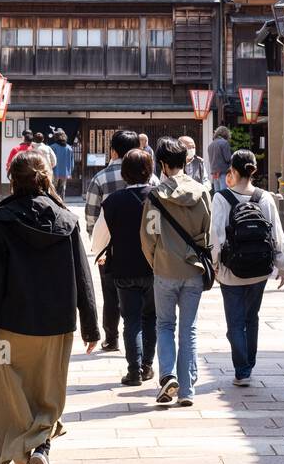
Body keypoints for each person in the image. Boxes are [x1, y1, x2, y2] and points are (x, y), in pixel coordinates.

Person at [0, 150, 99, 464]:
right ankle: (42, 446)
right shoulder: (66, 219)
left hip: (10, 325)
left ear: (12, 179)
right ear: (47, 178)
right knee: (48, 395)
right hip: (57, 325)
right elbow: (82, 276)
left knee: (12, 399)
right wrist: (90, 326)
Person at [140, 136, 212, 408]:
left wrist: (156, 260)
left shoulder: (155, 197)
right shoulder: (202, 192)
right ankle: (187, 390)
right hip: (193, 269)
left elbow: (148, 236)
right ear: (185, 161)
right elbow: (208, 231)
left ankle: (168, 375)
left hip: (164, 268)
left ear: (162, 164)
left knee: (165, 325)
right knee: (188, 330)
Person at [211, 149, 284, 387]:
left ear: (232, 172)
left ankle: (242, 370)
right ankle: (248, 364)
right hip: (259, 270)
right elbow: (276, 233)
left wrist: (215, 264)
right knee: (251, 318)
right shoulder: (264, 197)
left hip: (231, 271)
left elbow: (216, 236)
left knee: (234, 322)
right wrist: (283, 266)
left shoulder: (221, 198)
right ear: (254, 171)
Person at [91, 149, 156, 386]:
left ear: (124, 173)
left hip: (124, 267)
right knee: (151, 317)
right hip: (155, 267)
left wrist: (99, 253)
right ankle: (148, 365)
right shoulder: (159, 197)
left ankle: (134, 371)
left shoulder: (113, 202)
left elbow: (100, 237)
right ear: (149, 170)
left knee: (131, 320)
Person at [85, 128, 141, 352]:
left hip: (109, 246)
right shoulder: (150, 177)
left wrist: (98, 245)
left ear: (113, 151)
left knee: (110, 294)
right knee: (139, 294)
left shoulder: (100, 178)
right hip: (141, 247)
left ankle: (112, 338)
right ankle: (136, 339)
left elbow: (91, 215)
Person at [207, 125, 233, 192]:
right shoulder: (224, 143)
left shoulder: (211, 145)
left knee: (217, 195)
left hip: (214, 173)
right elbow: (228, 159)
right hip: (223, 172)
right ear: (226, 134)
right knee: (225, 194)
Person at [51, 130, 74, 199]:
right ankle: (61, 203)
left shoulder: (52, 147)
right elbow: (72, 163)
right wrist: (70, 172)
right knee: (62, 189)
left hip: (54, 172)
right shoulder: (69, 148)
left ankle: (54, 203)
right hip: (65, 173)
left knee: (53, 189)